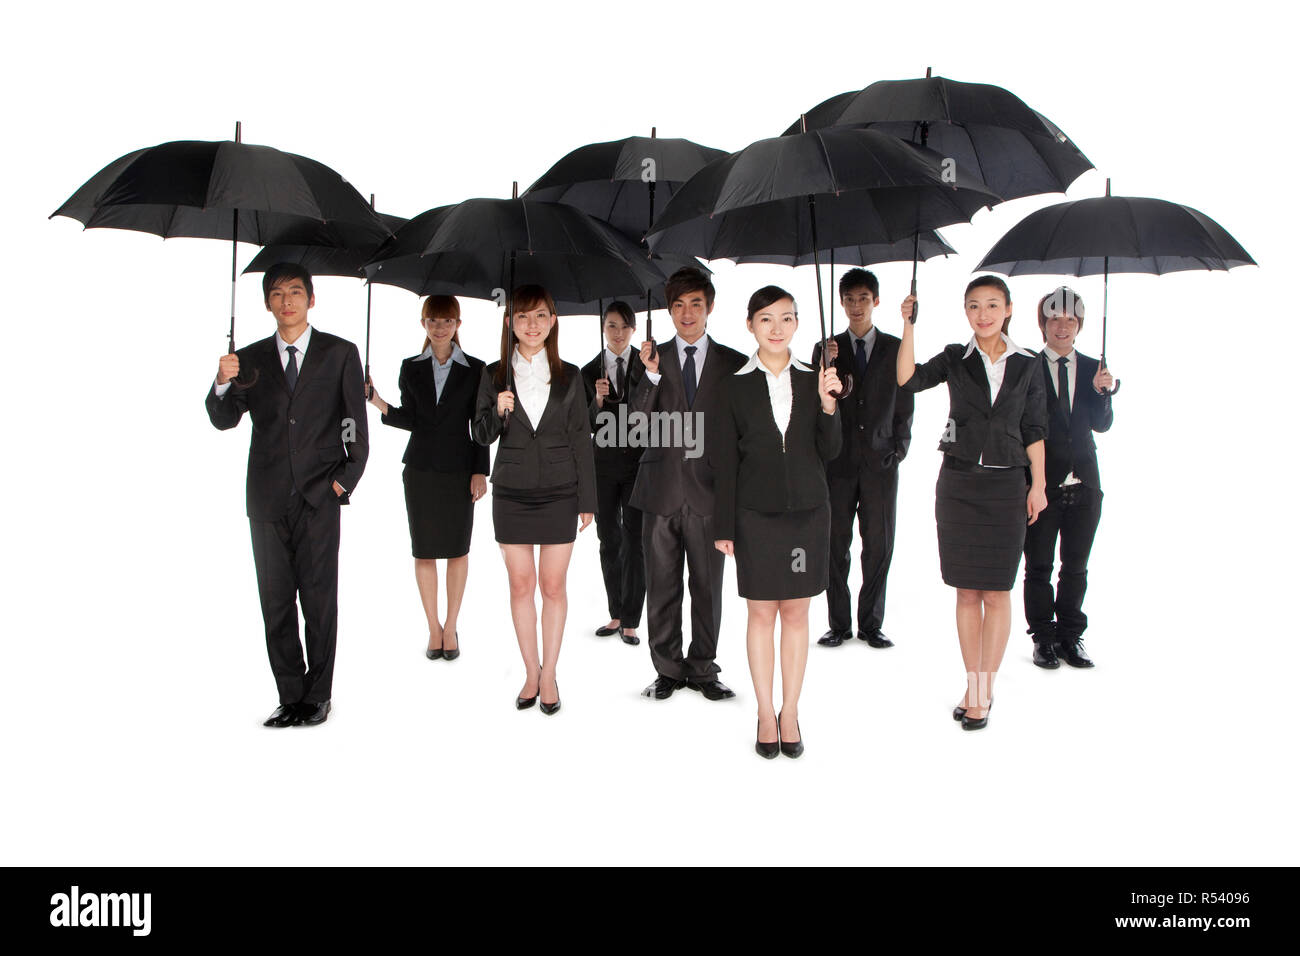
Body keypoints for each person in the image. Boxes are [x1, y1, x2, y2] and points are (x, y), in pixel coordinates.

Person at [205, 262, 368, 728]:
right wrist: (222, 380)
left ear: (311, 299)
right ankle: (289, 696)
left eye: (295, 291)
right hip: (267, 499)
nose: (287, 301)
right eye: (277, 294)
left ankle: (318, 696)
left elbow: (354, 424)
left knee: (319, 602)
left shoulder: (340, 353)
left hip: (320, 497)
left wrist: (343, 481)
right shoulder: (249, 360)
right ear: (267, 303)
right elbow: (223, 419)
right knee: (275, 602)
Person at [896, 275, 1048, 731]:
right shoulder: (954, 358)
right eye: (974, 306)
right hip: (959, 484)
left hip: (1006, 488)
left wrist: (1037, 484)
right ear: (966, 312)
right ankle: (973, 685)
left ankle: (984, 689)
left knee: (998, 592)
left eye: (991, 305)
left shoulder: (1028, 364)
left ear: (1008, 309)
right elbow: (907, 379)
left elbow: (1035, 428)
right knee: (966, 591)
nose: (983, 314)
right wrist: (908, 326)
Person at [714, 287, 842, 758]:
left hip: (808, 512)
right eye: (766, 319)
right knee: (761, 612)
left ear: (797, 323)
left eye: (786, 318)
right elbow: (724, 460)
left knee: (797, 613)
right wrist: (723, 526)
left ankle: (791, 711)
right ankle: (765, 712)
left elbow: (831, 452)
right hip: (754, 515)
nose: (776, 328)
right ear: (750, 324)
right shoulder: (733, 384)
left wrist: (830, 407)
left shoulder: (816, 380)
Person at [472, 286, 596, 715]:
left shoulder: (570, 374)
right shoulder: (493, 375)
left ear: (553, 320)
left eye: (540, 315)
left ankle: (550, 673)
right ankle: (530, 670)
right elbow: (479, 435)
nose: (532, 324)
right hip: (511, 493)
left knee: (553, 586)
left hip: (561, 491)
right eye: (522, 316)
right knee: (521, 585)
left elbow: (582, 437)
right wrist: (498, 410)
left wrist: (589, 499)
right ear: (510, 323)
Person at [630, 267, 747, 701]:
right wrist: (652, 377)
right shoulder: (651, 358)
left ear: (710, 307)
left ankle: (702, 669)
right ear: (668, 310)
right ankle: (666, 669)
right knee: (661, 586)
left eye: (695, 303)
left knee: (707, 588)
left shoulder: (734, 363)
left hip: (711, 495)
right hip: (659, 490)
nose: (686, 313)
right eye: (678, 305)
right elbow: (634, 425)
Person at [367, 295, 489, 662]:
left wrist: (480, 470)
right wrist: (376, 400)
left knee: (457, 549)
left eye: (447, 321)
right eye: (433, 321)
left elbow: (479, 424)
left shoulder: (477, 368)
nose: (440, 327)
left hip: (459, 470)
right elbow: (412, 418)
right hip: (420, 470)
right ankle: (432, 627)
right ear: (424, 324)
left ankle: (451, 625)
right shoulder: (410, 367)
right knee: (423, 550)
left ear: (458, 325)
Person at [811, 268, 914, 650]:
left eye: (864, 299)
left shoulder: (893, 347)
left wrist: (898, 449)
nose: (856, 306)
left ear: (876, 301)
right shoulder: (828, 347)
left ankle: (871, 623)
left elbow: (906, 400)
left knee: (879, 544)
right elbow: (816, 399)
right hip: (836, 463)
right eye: (850, 299)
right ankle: (838, 623)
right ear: (840, 302)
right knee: (834, 544)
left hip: (881, 462)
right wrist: (824, 359)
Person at [1022, 287, 1116, 669]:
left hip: (1085, 485)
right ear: (1042, 323)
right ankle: (1043, 638)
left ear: (1079, 325)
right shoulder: (1026, 366)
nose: (1062, 326)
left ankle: (1070, 636)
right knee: (1039, 566)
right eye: (1054, 318)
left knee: (1076, 565)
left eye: (1070, 320)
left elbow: (1101, 424)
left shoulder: (1095, 367)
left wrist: (1105, 394)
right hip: (1042, 484)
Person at [581, 301, 646, 646]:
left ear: (633, 329)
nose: (618, 333)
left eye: (624, 327)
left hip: (638, 464)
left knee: (636, 540)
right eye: (611, 326)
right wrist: (597, 401)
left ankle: (632, 619)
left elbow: (654, 411)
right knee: (609, 538)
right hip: (603, 467)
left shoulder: (647, 364)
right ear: (604, 329)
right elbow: (584, 425)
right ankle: (616, 612)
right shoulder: (589, 370)